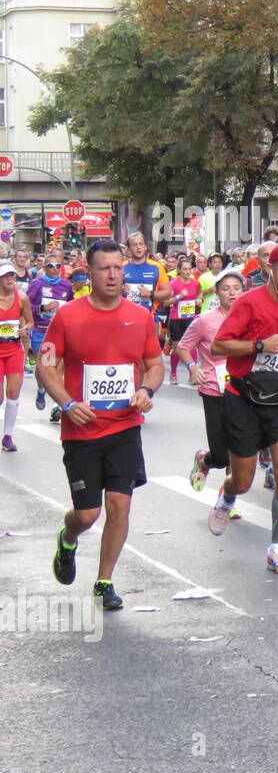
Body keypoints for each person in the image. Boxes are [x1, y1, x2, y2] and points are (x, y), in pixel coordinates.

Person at [38, 240, 164, 610]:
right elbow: (46, 366)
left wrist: (145, 388)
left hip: (125, 426)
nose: (112, 275)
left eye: (117, 268)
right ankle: (68, 537)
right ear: (89, 272)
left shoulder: (140, 317)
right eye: (104, 268)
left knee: (120, 507)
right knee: (87, 514)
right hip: (81, 431)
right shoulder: (68, 316)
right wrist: (68, 403)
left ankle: (104, 581)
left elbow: (155, 365)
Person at [208, 243, 278, 574]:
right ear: (270, 268)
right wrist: (258, 345)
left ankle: (277, 548)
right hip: (244, 398)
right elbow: (218, 345)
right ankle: (227, 497)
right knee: (242, 480)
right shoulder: (248, 302)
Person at [180, 267, 246, 505]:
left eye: (237, 288)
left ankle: (228, 501)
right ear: (216, 292)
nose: (232, 293)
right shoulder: (205, 321)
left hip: (243, 390)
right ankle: (204, 461)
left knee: (238, 450)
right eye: (226, 289)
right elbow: (183, 346)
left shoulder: (249, 318)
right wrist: (193, 368)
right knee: (220, 453)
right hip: (213, 390)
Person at [27, 254, 74, 419]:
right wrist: (43, 307)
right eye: (50, 266)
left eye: (57, 266)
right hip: (40, 331)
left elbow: (71, 304)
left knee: (56, 368)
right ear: (44, 268)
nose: (54, 269)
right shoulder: (36, 284)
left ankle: (56, 405)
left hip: (59, 332)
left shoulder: (66, 285)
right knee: (43, 368)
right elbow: (26, 306)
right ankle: (41, 389)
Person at [0, 260, 35, 452]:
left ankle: (7, 436)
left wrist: (24, 329)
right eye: (5, 275)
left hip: (13, 350)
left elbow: (30, 322)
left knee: (13, 394)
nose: (9, 278)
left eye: (12, 275)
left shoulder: (21, 298)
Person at [166, 257, 203, 385]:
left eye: (189, 269)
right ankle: (173, 374)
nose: (187, 272)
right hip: (176, 320)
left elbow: (200, 294)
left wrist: (199, 300)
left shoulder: (195, 283)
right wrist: (179, 296)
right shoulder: (174, 284)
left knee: (191, 346)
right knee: (178, 349)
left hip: (190, 318)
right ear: (179, 270)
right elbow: (166, 302)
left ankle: (192, 374)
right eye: (184, 269)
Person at [121, 231, 172, 324]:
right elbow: (110, 291)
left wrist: (151, 294)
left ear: (145, 247)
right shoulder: (121, 267)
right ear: (128, 249)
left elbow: (168, 293)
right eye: (134, 245)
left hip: (151, 317)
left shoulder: (157, 267)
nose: (138, 247)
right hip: (126, 318)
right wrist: (121, 290)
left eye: (141, 244)